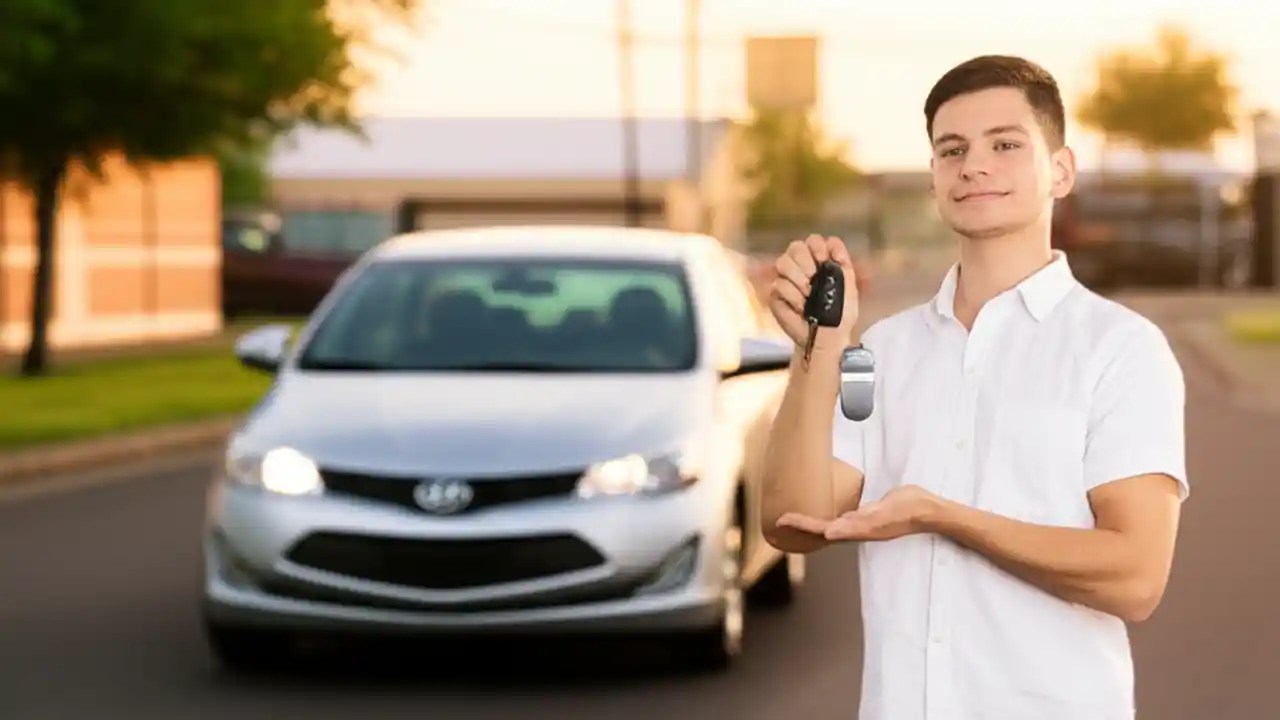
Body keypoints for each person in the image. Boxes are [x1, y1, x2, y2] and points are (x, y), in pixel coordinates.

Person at [760, 55, 1188, 720]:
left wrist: (944, 516)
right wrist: (816, 351)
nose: (974, 165)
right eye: (951, 149)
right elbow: (794, 522)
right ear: (934, 178)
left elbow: (1136, 578)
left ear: (1062, 171)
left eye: (1006, 145)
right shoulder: (878, 355)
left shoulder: (1122, 351)